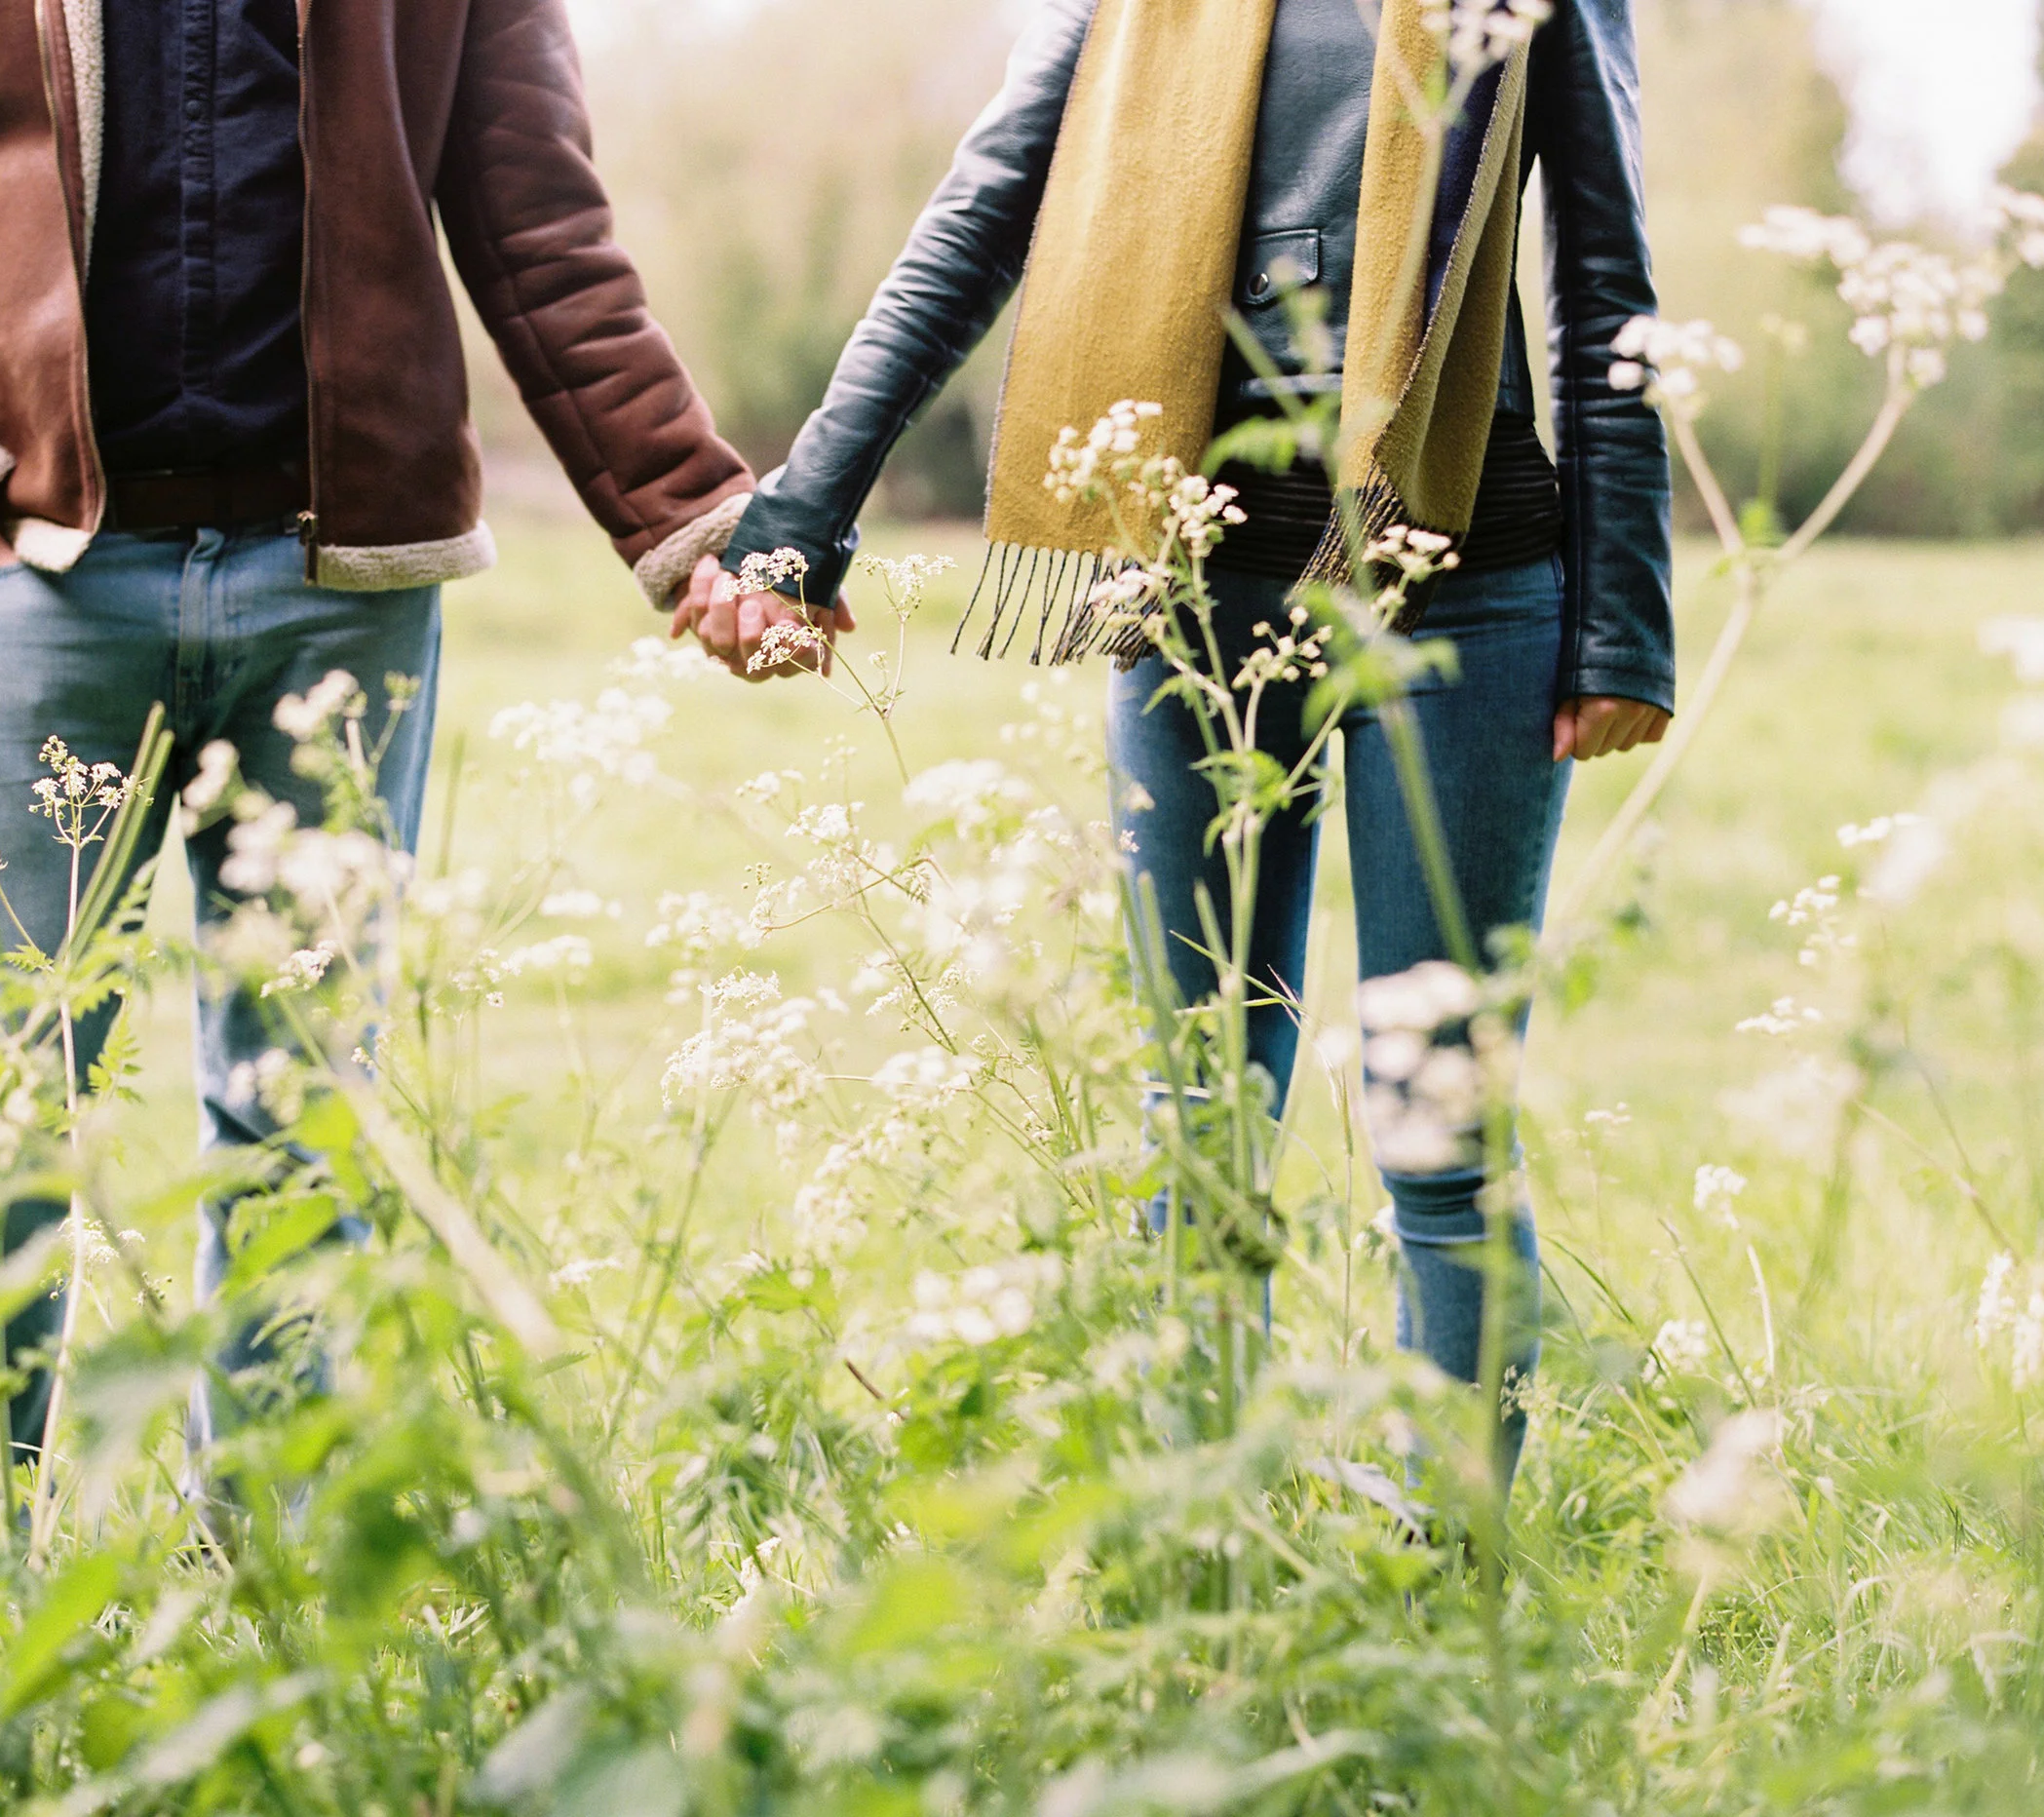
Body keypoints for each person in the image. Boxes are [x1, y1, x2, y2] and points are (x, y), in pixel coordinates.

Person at [678, 0, 1678, 1482]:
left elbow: (1606, 281)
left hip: (1462, 582)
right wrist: (795, 519)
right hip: (1184, 584)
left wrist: (1624, 623)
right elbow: (980, 220)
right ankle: (1200, 1544)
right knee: (1196, 1110)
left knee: (1439, 1121)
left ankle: (1446, 1577)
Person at [0, 0, 766, 1460]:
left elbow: (541, 225)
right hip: (42, 581)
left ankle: (271, 1595)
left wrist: (690, 521)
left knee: (301, 1121)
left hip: (336, 591)